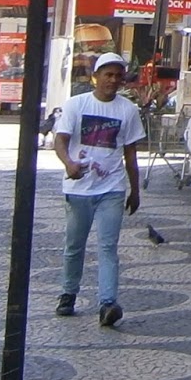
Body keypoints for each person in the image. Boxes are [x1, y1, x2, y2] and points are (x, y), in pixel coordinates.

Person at [52, 52, 144, 327]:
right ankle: (68, 293)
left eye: (118, 76)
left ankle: (107, 303)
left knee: (108, 246)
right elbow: (61, 140)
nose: (113, 80)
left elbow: (130, 154)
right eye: (108, 75)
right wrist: (69, 163)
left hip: (111, 188)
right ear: (96, 77)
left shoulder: (128, 110)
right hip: (79, 188)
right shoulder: (76, 105)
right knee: (74, 245)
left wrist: (135, 189)